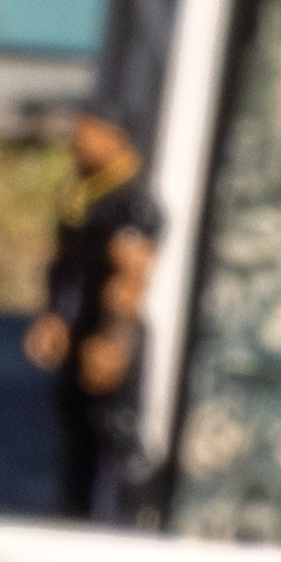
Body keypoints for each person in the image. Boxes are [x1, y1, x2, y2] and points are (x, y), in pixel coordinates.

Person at [26, 96, 163, 521]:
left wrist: (113, 342)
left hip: (111, 334)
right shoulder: (82, 193)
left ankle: (136, 521)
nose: (75, 145)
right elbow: (60, 263)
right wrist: (53, 317)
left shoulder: (132, 203)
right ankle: (72, 516)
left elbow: (129, 281)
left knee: (116, 433)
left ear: (114, 139)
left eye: (85, 136)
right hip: (80, 327)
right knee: (75, 431)